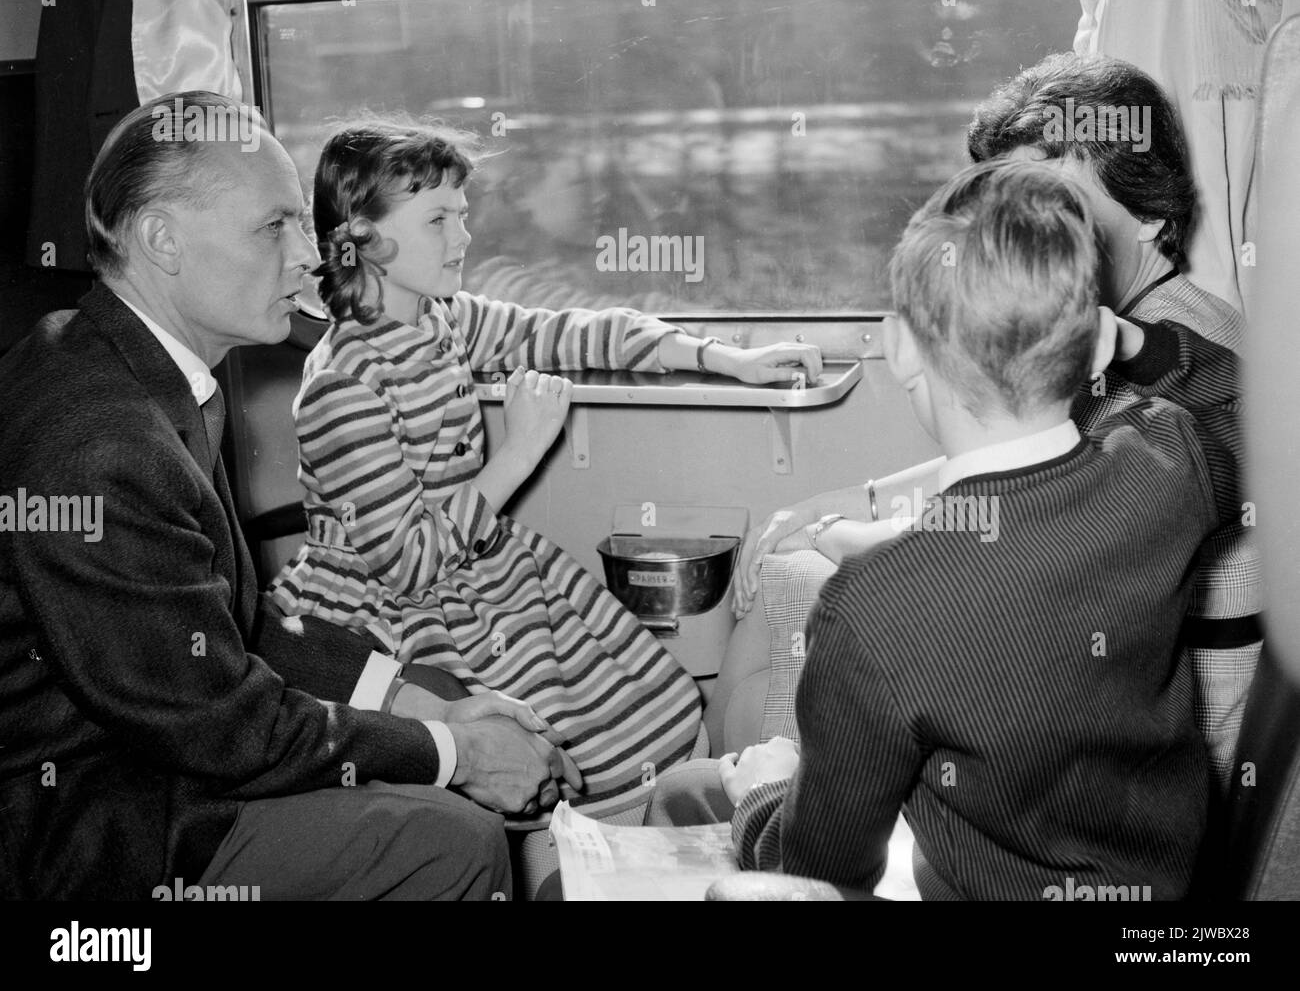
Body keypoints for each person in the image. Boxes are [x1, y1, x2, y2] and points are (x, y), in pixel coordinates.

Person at [0, 91, 582, 901]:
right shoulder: (101, 445)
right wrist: (459, 753)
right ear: (161, 239)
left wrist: (419, 697)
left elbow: (216, 617)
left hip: (151, 749)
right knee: (453, 839)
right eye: (272, 226)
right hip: (96, 827)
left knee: (445, 697)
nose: (311, 256)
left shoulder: (124, 358)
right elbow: (221, 718)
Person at [664, 159, 1240, 899]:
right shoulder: (1163, 461)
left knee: (712, 840)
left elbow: (821, 870)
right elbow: (1249, 405)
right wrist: (1140, 343)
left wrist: (762, 796)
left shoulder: (873, 606)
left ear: (899, 347)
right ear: (1097, 345)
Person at [734, 53, 1256, 785]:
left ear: (1149, 214)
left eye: (1058, 199)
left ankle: (769, 824)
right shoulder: (1173, 320)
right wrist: (857, 498)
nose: (1031, 230)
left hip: (1134, 752)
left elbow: (1017, 530)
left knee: (793, 601)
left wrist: (839, 529)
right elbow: (1019, 460)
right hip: (1087, 672)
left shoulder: (1153, 364)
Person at [268, 117, 821, 805]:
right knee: (552, 745)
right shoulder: (343, 383)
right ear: (363, 237)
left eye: (462, 215)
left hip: (478, 568)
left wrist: (719, 356)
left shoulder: (442, 319)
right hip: (394, 607)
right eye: (438, 219)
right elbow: (407, 564)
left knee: (649, 710)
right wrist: (521, 450)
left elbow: (567, 331)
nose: (463, 237)